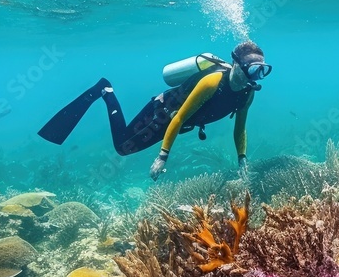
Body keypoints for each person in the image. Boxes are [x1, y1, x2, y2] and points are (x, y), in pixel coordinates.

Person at [38, 41, 270, 181]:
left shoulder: (248, 93)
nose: (253, 78)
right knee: (122, 147)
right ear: (237, 64)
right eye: (250, 70)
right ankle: (105, 90)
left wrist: (242, 159)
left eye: (260, 72)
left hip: (176, 122)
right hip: (161, 112)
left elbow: (240, 130)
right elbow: (179, 117)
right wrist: (163, 156)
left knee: (123, 147)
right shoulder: (211, 83)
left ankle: (104, 90)